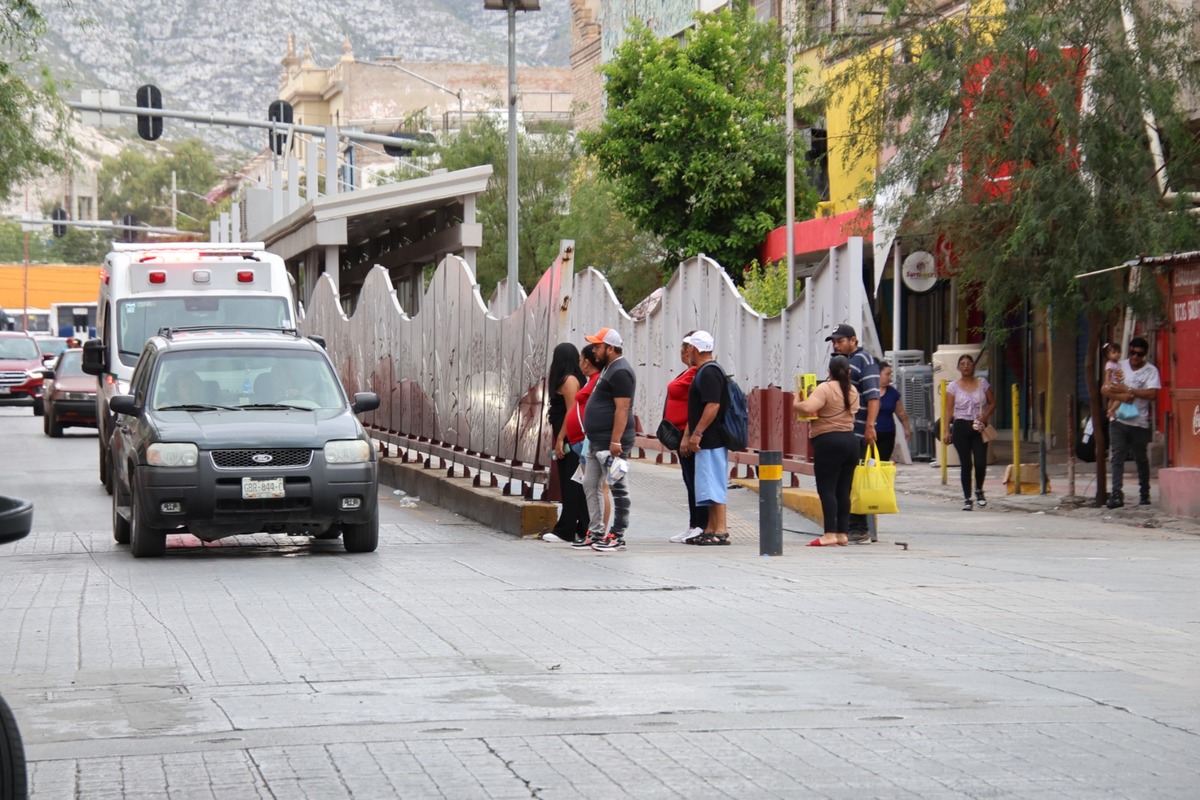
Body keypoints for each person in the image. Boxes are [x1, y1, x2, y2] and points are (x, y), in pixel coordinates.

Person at [575, 326, 635, 553]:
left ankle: (618, 534)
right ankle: (596, 531)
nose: (594, 350)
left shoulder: (620, 372)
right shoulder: (609, 369)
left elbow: (623, 408)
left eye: (598, 346)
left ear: (610, 348)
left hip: (611, 441)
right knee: (590, 483)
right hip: (596, 440)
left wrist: (616, 441)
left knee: (618, 486)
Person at [793, 355, 860, 547]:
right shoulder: (853, 390)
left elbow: (807, 408)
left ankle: (830, 533)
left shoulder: (826, 388)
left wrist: (796, 401)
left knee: (827, 488)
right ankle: (842, 534)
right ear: (849, 372)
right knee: (843, 489)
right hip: (850, 441)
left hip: (829, 441)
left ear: (829, 372)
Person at [827, 324, 880, 543]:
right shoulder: (841, 362)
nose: (836, 346)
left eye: (840, 341)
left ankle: (859, 526)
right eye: (834, 342)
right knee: (842, 481)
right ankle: (845, 525)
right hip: (841, 430)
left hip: (857, 431)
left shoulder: (864, 361)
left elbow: (873, 396)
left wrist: (870, 426)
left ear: (853, 340)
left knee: (855, 479)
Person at [678, 330, 729, 546]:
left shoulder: (709, 372)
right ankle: (710, 528)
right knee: (706, 484)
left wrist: (697, 433)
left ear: (695, 349)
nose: (687, 352)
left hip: (712, 439)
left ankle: (721, 530)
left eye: (688, 348)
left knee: (714, 483)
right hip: (706, 439)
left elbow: (713, 405)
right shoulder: (704, 371)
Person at [1101, 336, 1160, 508]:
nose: (1134, 357)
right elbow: (1106, 388)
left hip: (1139, 422)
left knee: (1140, 458)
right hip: (1118, 420)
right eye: (1132, 353)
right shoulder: (1120, 365)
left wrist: (1130, 391)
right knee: (1117, 456)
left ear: (1145, 355)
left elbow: (1152, 394)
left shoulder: (1151, 371)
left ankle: (1144, 493)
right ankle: (1117, 494)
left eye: (1139, 354)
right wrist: (1120, 397)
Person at [664, 331, 707, 543]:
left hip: (686, 433)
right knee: (689, 479)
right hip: (680, 431)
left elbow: (696, 405)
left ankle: (700, 524)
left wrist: (688, 434)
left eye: (686, 348)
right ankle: (693, 524)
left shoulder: (698, 373)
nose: (683, 353)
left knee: (694, 480)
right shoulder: (687, 372)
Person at [943, 353, 997, 511]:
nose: (966, 366)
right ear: (958, 368)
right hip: (960, 426)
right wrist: (946, 430)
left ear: (974, 366)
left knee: (980, 463)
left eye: (969, 363)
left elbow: (992, 403)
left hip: (979, 426)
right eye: (963, 364)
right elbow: (948, 410)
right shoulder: (953, 387)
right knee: (966, 464)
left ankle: (979, 489)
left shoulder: (982, 383)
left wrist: (985, 415)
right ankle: (967, 498)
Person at [568, 344, 612, 534]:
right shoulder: (590, 381)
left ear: (587, 362)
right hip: (582, 442)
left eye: (580, 360)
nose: (579, 364)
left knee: (600, 487)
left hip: (590, 440)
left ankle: (600, 530)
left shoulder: (597, 381)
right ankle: (595, 529)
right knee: (591, 487)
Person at [545, 342, 586, 543]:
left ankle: (566, 529)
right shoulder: (573, 378)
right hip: (570, 435)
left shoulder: (569, 380)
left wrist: (561, 438)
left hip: (571, 436)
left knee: (571, 482)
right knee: (575, 481)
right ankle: (584, 526)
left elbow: (571, 411)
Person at [876, 361, 912, 462]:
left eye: (890, 374)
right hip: (871, 433)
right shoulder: (870, 391)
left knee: (883, 461)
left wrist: (907, 429)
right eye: (887, 374)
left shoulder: (893, 393)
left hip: (887, 432)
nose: (890, 377)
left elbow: (901, 413)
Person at [1102, 342, 1124, 421]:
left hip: (1118, 383)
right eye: (1114, 352)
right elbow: (1107, 374)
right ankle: (1112, 410)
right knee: (1120, 398)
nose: (1117, 354)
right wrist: (1108, 383)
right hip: (1113, 384)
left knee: (1112, 399)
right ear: (1108, 355)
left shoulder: (1118, 363)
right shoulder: (1109, 364)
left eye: (1118, 352)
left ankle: (1109, 413)